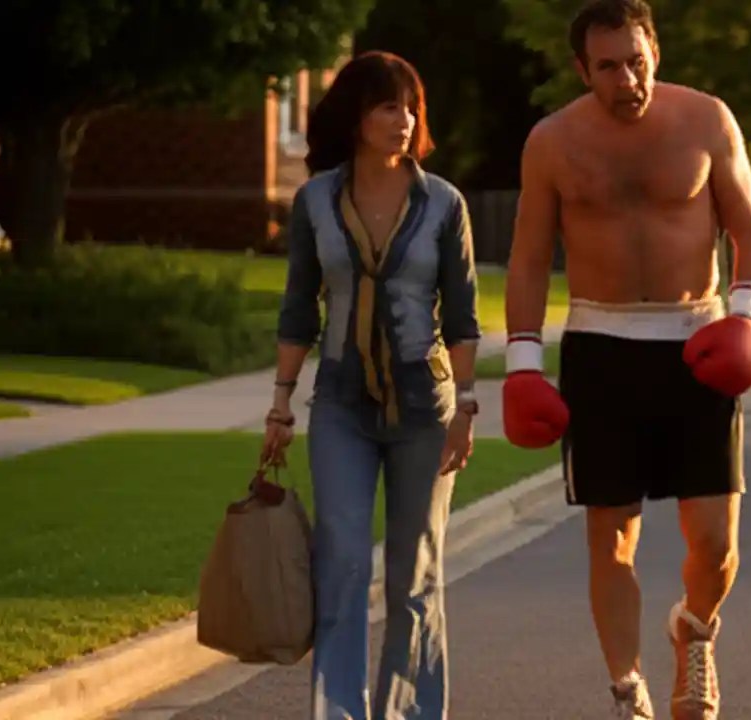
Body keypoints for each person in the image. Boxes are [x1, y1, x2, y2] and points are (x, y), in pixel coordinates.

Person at [500, 1, 751, 717]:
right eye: (609, 67)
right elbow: (528, 258)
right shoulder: (551, 142)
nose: (627, 80)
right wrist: (523, 364)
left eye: (637, 61)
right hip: (602, 345)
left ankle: (695, 630)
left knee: (714, 542)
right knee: (613, 537)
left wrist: (745, 318)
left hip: (698, 343)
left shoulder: (707, 120)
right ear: (581, 70)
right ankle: (628, 689)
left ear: (656, 52)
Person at [260, 50, 482, 720]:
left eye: (411, 108)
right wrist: (280, 404)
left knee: (415, 575)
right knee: (343, 565)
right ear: (356, 116)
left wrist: (466, 406)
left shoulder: (443, 203)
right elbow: (299, 309)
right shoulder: (315, 202)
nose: (404, 120)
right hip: (341, 406)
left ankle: (410, 713)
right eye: (389, 106)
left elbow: (463, 319)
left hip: (425, 409)